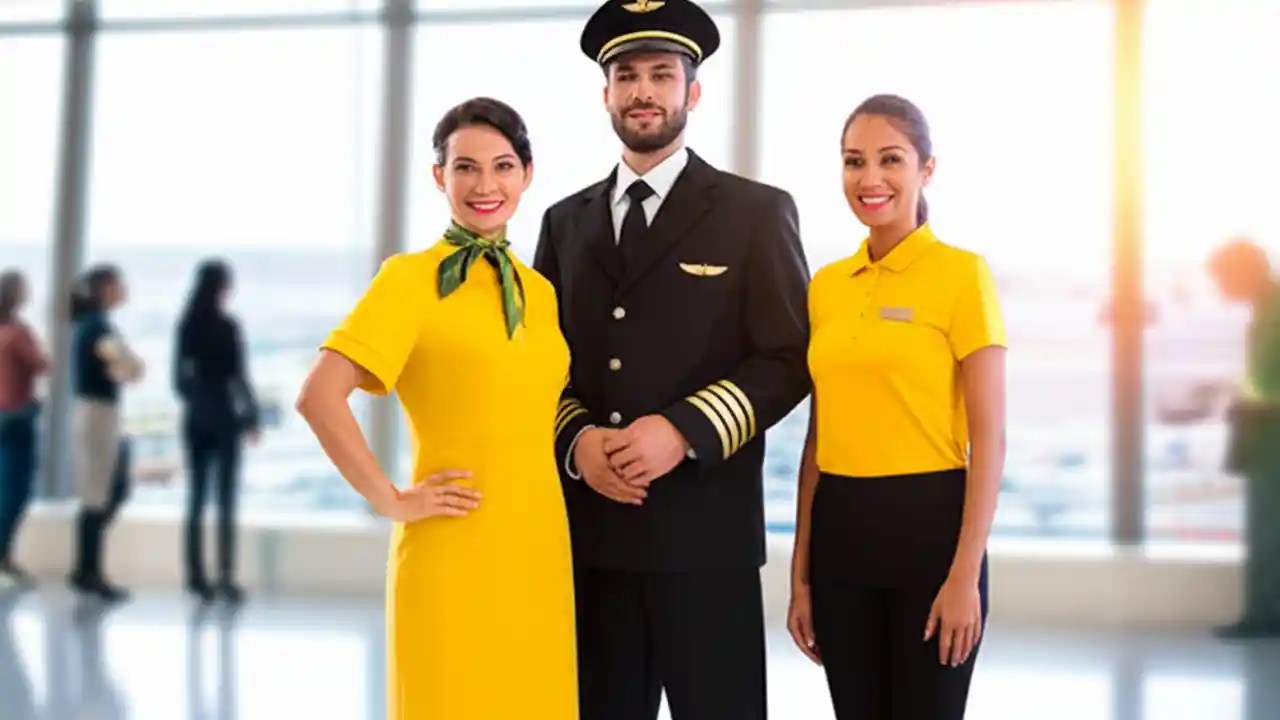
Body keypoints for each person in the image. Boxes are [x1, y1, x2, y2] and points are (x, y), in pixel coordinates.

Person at [533, 2, 811, 717]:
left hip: (705, 542)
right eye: (627, 76)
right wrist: (577, 441)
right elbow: (535, 365)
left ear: (693, 91)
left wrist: (683, 430)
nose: (643, 91)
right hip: (593, 538)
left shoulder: (755, 213)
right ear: (606, 95)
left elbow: (786, 358)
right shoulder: (563, 223)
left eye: (662, 74)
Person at [296, 97, 576, 719]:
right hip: (451, 551)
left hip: (539, 551)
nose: (485, 185)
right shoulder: (408, 279)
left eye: (503, 167)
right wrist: (390, 498)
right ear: (438, 176)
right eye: (465, 168)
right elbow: (318, 396)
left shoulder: (540, 292)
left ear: (527, 174)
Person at [787, 94, 1007, 720]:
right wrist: (801, 574)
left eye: (891, 159)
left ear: (925, 169)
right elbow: (818, 438)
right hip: (841, 539)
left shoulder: (962, 275)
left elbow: (990, 438)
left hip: (931, 535)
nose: (870, 178)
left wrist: (964, 577)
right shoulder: (826, 286)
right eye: (854, 161)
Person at [174, 260, 260, 604]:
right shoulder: (228, 327)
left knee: (196, 499)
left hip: (196, 416)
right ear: (223, 287)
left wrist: (196, 399)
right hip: (225, 415)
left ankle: (196, 577)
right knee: (226, 500)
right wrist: (251, 417)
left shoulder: (187, 325)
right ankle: (225, 576)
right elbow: (240, 377)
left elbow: (178, 380)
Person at [1209, 238, 1280, 637]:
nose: (1222, 289)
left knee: (1268, 529)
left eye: (1224, 279)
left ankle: (1264, 616)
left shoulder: (1274, 311)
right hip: (1264, 429)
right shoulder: (1265, 309)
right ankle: (1263, 613)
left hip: (1272, 431)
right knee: (1266, 528)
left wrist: (1255, 404)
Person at [68, 264, 144, 602]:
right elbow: (130, 367)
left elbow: (127, 367)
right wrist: (127, 366)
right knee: (99, 494)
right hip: (98, 413)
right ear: (104, 289)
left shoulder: (92, 325)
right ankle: (89, 571)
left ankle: (86, 569)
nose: (123, 290)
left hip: (99, 412)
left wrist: (126, 367)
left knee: (100, 492)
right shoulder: (97, 326)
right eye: (118, 285)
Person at [0, 270, 50, 587]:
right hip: (18, 415)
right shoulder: (19, 332)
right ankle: (3, 556)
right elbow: (42, 364)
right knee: (16, 490)